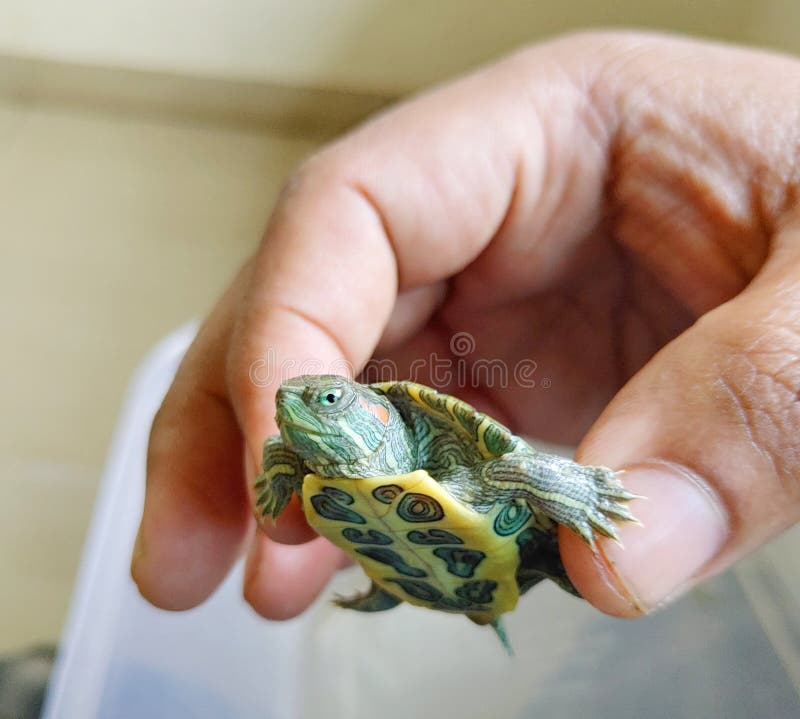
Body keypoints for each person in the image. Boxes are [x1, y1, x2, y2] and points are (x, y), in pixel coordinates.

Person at [131, 32, 800, 621]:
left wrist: (582, 489)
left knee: (566, 532)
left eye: (329, 397)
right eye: (308, 400)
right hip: (418, 565)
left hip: (494, 553)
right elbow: (282, 457)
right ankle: (387, 590)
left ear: (376, 412)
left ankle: (423, 578)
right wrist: (279, 469)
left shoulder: (449, 452)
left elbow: (514, 468)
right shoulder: (310, 457)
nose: (297, 402)